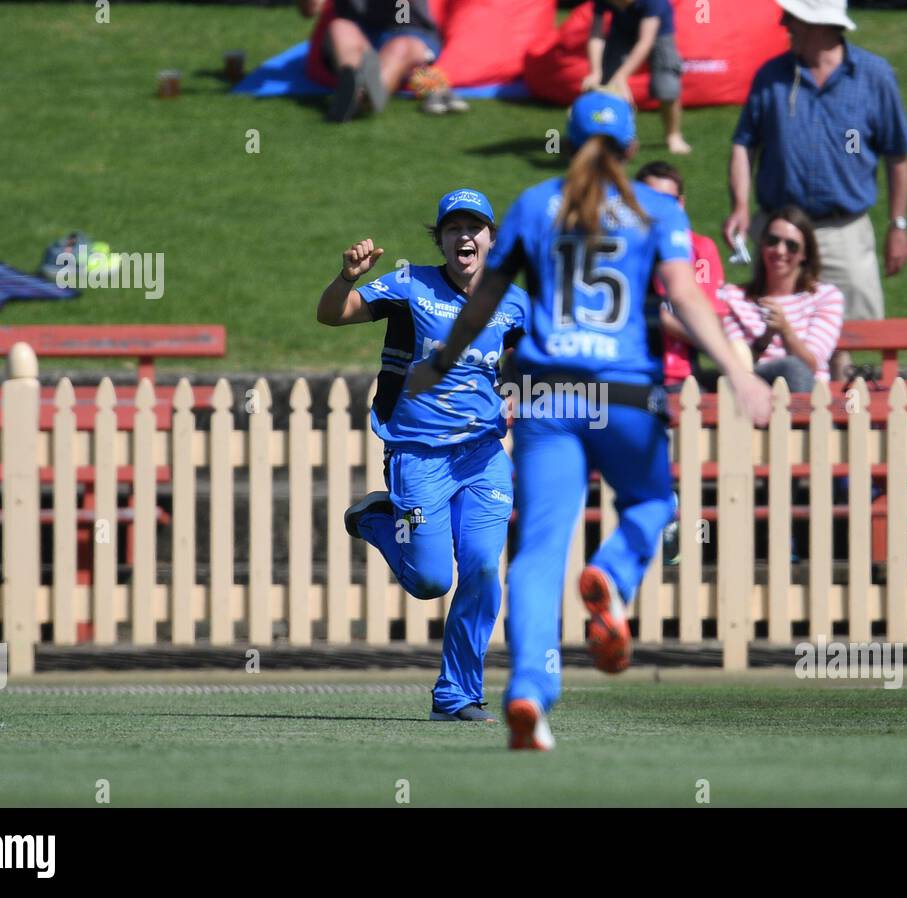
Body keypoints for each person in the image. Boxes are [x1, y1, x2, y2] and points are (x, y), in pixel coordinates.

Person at [408, 92, 772, 750]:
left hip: (549, 395)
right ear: (631, 149)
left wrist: (438, 367)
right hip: (622, 394)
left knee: (539, 553)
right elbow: (684, 295)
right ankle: (613, 573)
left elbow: (485, 299)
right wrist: (738, 370)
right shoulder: (655, 208)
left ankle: (527, 691)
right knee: (654, 504)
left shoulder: (532, 206)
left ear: (568, 143)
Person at [316, 188, 527, 722]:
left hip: (482, 458)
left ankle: (457, 696)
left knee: (481, 569)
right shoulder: (411, 285)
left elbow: (529, 366)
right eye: (453, 227)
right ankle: (378, 519)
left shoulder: (513, 301)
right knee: (432, 581)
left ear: (491, 239)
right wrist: (347, 278)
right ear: (442, 238)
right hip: (417, 455)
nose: (464, 236)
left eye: (474, 227)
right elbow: (332, 316)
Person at [723, 0, 907, 379]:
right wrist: (741, 205)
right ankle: (771, 420)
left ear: (819, 25)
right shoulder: (771, 76)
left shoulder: (874, 76)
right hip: (779, 231)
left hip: (844, 230)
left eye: (792, 17)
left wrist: (898, 225)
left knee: (857, 342)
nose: (783, 23)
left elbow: (897, 156)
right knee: (767, 334)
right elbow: (744, 144)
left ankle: (856, 423)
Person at [719, 206, 844, 393]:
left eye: (791, 246)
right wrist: (765, 338)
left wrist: (785, 331)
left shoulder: (826, 297)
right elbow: (738, 362)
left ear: (804, 255)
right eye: (772, 241)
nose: (780, 251)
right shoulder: (734, 297)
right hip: (753, 385)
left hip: (808, 389)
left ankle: (803, 421)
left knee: (793, 368)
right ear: (762, 245)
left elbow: (811, 365)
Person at [634, 160, 728, 392]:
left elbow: (711, 328)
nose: (659, 210)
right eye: (649, 200)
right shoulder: (620, 250)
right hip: (628, 372)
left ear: (681, 204)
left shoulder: (700, 249)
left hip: (680, 376)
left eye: (668, 201)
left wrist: (663, 319)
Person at [298, 0, 467, 122]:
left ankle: (366, 95)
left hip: (405, 25)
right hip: (358, 28)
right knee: (340, 27)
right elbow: (310, 10)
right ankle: (352, 83)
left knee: (400, 48)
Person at [582, 0, 690, 155]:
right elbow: (596, 34)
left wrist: (621, 76)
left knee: (667, 86)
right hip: (621, 32)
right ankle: (609, 135)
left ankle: (673, 135)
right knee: (606, 85)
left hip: (659, 34)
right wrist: (596, 71)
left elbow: (645, 42)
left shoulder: (653, 3)